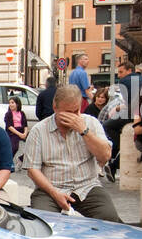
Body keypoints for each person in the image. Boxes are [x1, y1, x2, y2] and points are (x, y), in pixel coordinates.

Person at [20, 84, 120, 221]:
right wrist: (55, 193)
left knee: (109, 218)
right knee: (44, 222)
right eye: (67, 112)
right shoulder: (39, 130)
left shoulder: (91, 123)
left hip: (87, 187)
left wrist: (84, 131)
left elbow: (105, 156)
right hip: (51, 188)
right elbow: (32, 170)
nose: (73, 117)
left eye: (76, 111)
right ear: (55, 108)